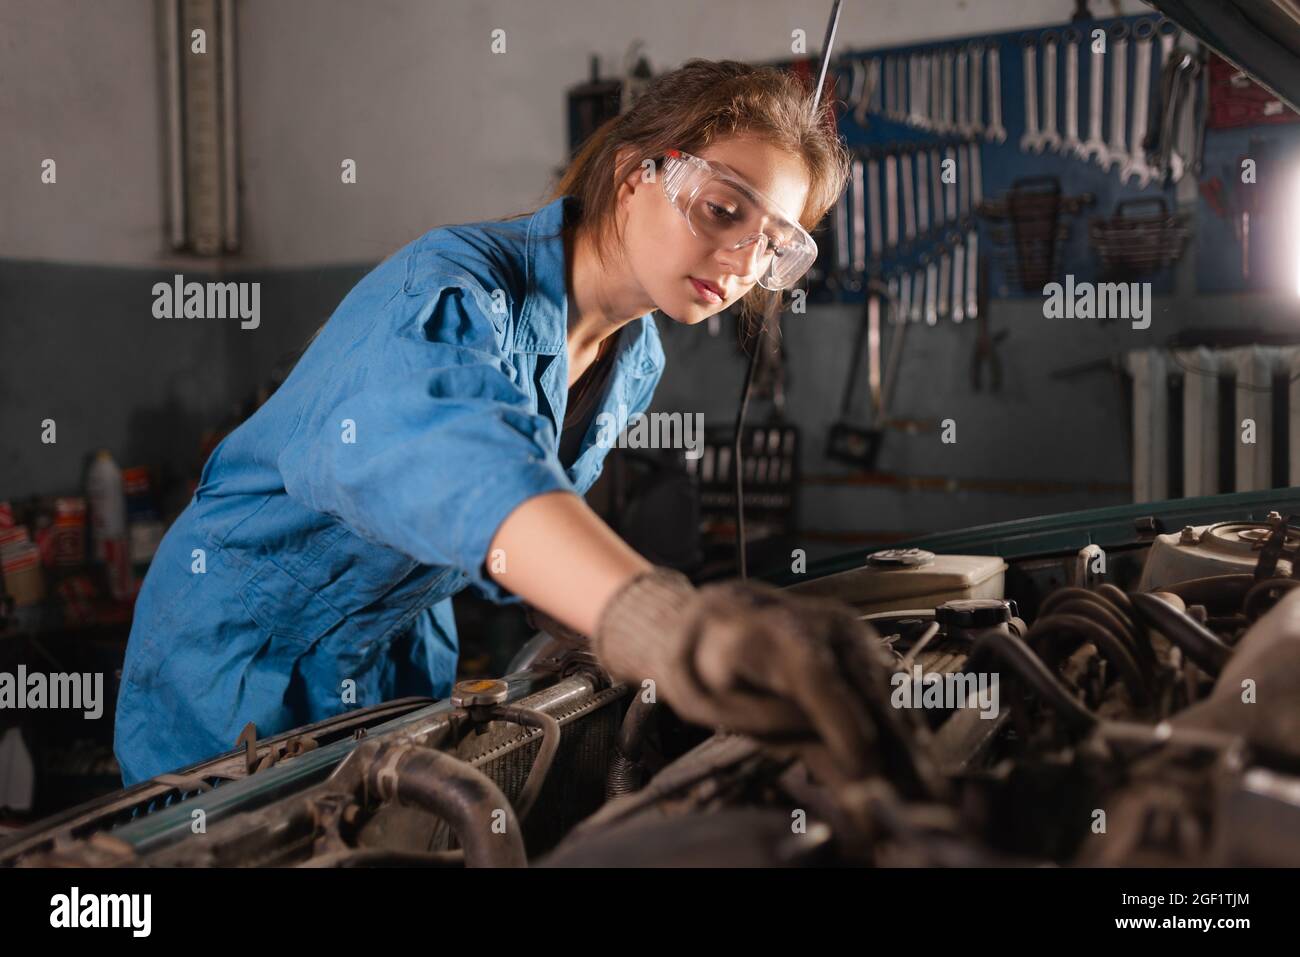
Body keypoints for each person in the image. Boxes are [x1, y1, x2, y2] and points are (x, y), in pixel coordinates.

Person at [113, 58, 890, 788]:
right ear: (632, 175)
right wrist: (672, 626)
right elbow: (469, 472)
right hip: (236, 656)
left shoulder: (636, 357)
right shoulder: (451, 291)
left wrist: (628, 636)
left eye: (775, 245)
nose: (741, 261)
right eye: (722, 209)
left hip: (391, 653)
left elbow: (528, 542)